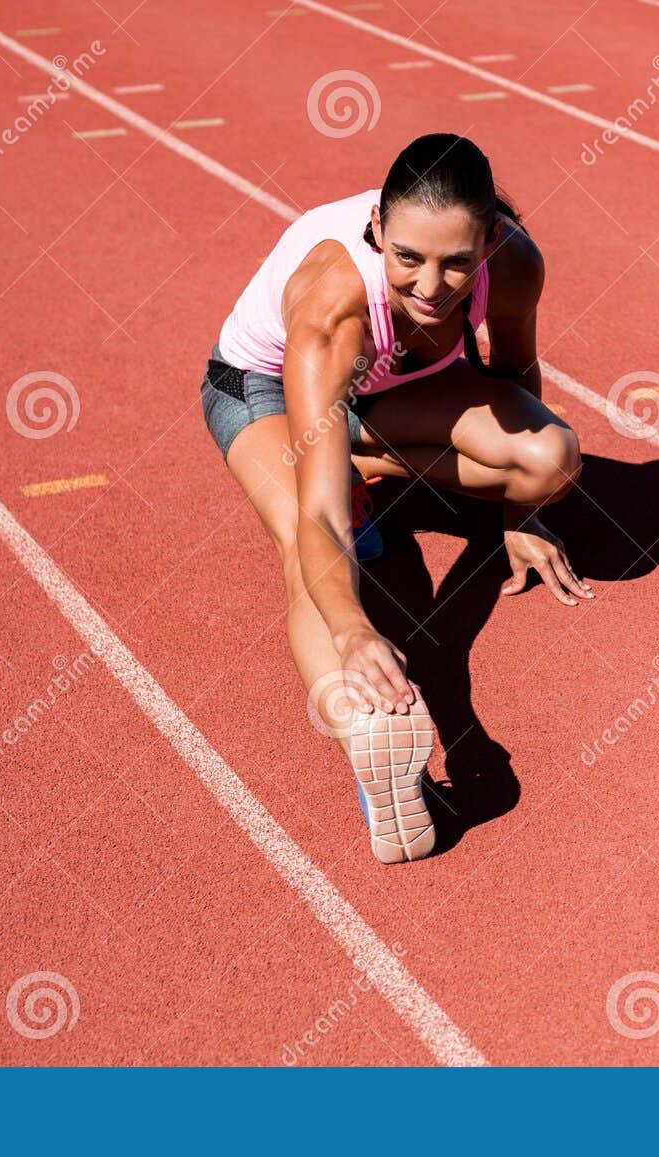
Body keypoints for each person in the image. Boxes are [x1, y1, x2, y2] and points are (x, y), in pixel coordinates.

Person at [200, 133, 592, 863]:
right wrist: (354, 631)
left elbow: (512, 379)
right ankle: (365, 723)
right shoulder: (333, 305)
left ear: (491, 242)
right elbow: (319, 515)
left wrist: (520, 511)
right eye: (407, 257)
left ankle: (352, 459)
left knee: (551, 457)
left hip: (380, 397)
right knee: (299, 530)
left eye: (456, 263)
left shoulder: (514, 265)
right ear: (378, 227)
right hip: (265, 390)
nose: (432, 287)